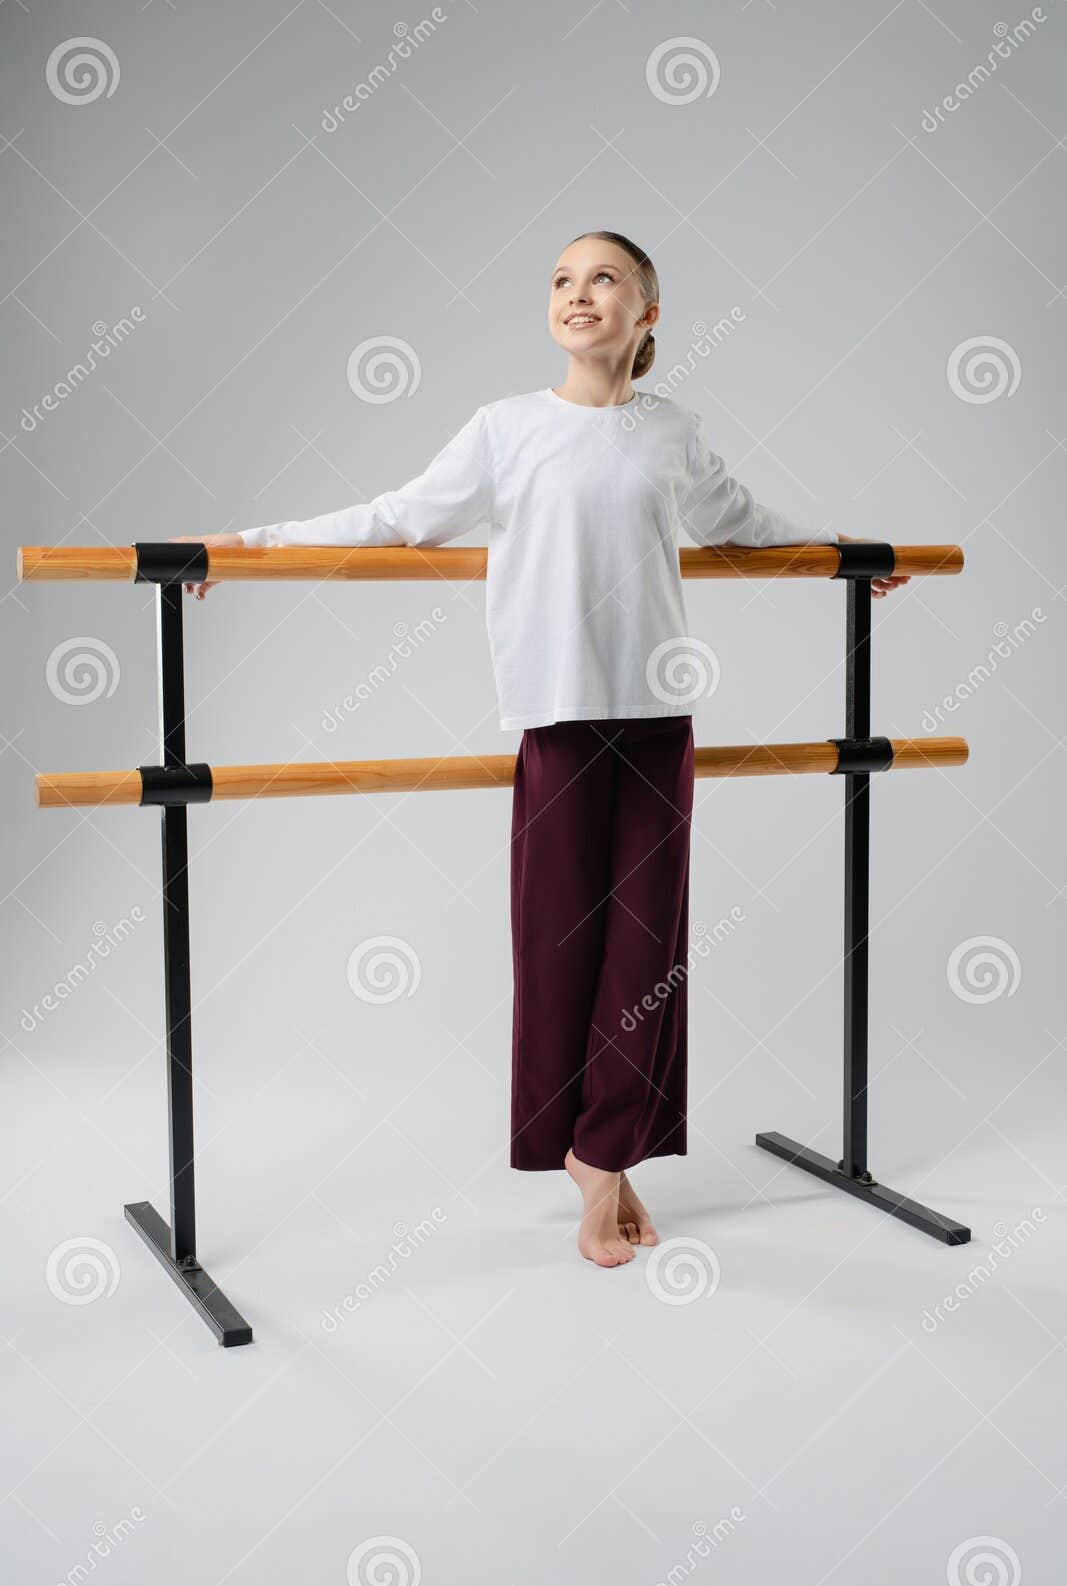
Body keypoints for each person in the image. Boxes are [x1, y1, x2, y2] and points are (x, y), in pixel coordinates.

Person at [175, 229, 909, 1268]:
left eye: (603, 277)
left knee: (647, 950)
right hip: (555, 718)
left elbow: (741, 522)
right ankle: (579, 1154)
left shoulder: (670, 433)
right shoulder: (505, 428)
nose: (578, 293)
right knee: (558, 944)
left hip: (658, 719)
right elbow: (396, 518)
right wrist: (249, 546)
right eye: (561, 279)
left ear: (646, 313)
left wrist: (845, 555)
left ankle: (606, 1162)